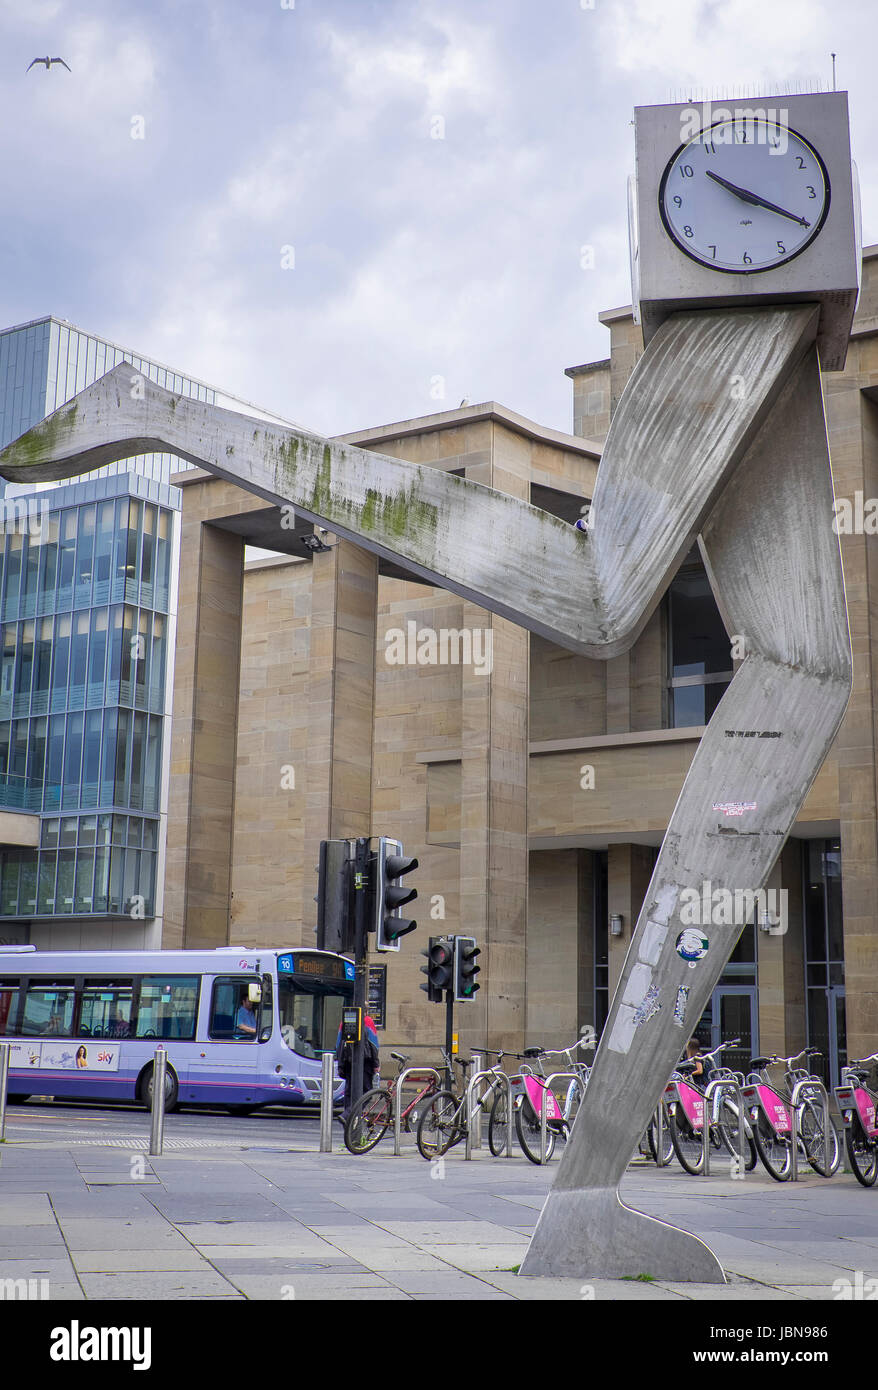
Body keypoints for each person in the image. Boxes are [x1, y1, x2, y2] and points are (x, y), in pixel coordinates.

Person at [336, 1013, 380, 1119]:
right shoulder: (368, 1021)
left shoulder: (346, 1020)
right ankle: (348, 1115)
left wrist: (340, 1063)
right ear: (365, 1011)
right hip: (365, 1063)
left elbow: (338, 1045)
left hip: (348, 1062)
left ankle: (348, 1120)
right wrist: (376, 1063)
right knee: (367, 1092)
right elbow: (373, 1045)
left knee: (349, 1092)